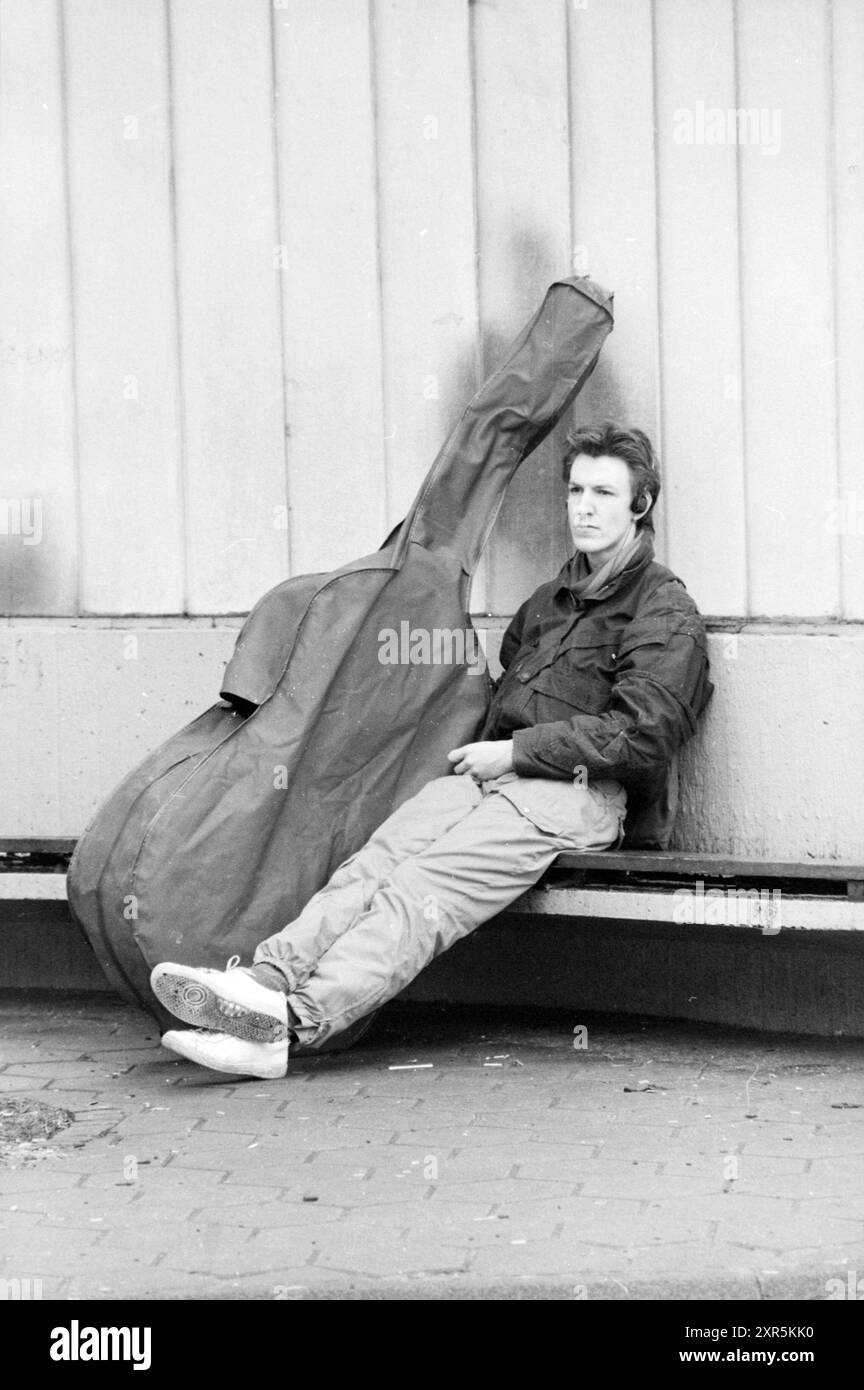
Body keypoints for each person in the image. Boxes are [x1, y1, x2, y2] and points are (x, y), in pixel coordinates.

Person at [151, 422, 713, 1079]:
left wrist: (518, 753)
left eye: (604, 493)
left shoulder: (662, 609)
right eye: (575, 490)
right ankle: (264, 984)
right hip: (489, 777)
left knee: (420, 890)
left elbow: (644, 736)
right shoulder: (551, 602)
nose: (583, 507)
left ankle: (291, 1026)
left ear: (640, 505)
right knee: (375, 862)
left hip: (575, 797)